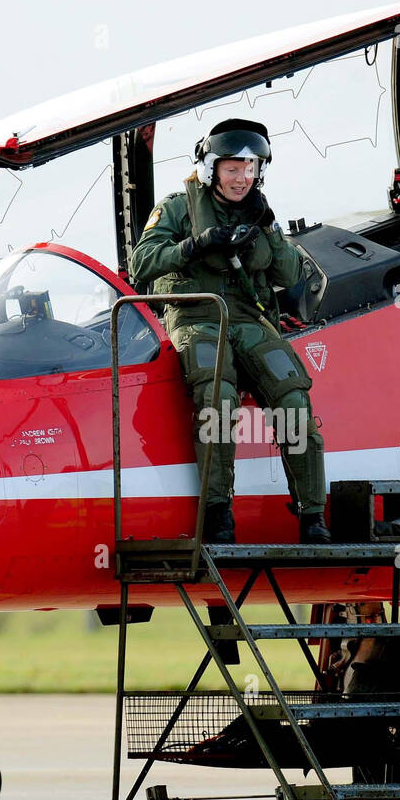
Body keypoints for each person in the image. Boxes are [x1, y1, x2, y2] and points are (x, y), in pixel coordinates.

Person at [129, 118, 329, 544]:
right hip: (196, 314)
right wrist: (194, 246)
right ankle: (219, 512)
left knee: (291, 394)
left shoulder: (259, 210)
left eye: (250, 168)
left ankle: (312, 516)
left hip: (246, 317)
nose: (242, 178)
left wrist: (269, 229)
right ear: (211, 169)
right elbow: (141, 262)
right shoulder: (179, 208)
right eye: (233, 168)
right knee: (216, 394)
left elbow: (289, 272)